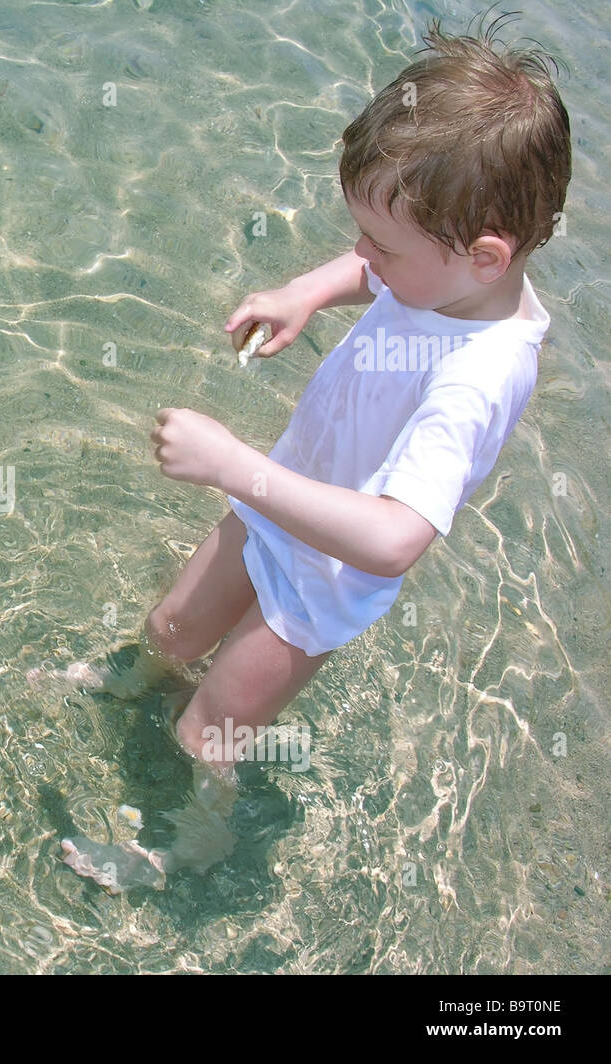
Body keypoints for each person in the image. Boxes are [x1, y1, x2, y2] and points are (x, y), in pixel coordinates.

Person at [62, 16, 571, 892]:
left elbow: (394, 539)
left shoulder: (478, 378)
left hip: (324, 580)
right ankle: (130, 677)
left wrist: (234, 467)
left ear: (485, 255)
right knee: (172, 626)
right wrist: (309, 290)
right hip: (278, 503)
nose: (363, 258)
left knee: (208, 731)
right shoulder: (445, 272)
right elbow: (382, 275)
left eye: (380, 244)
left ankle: (189, 848)